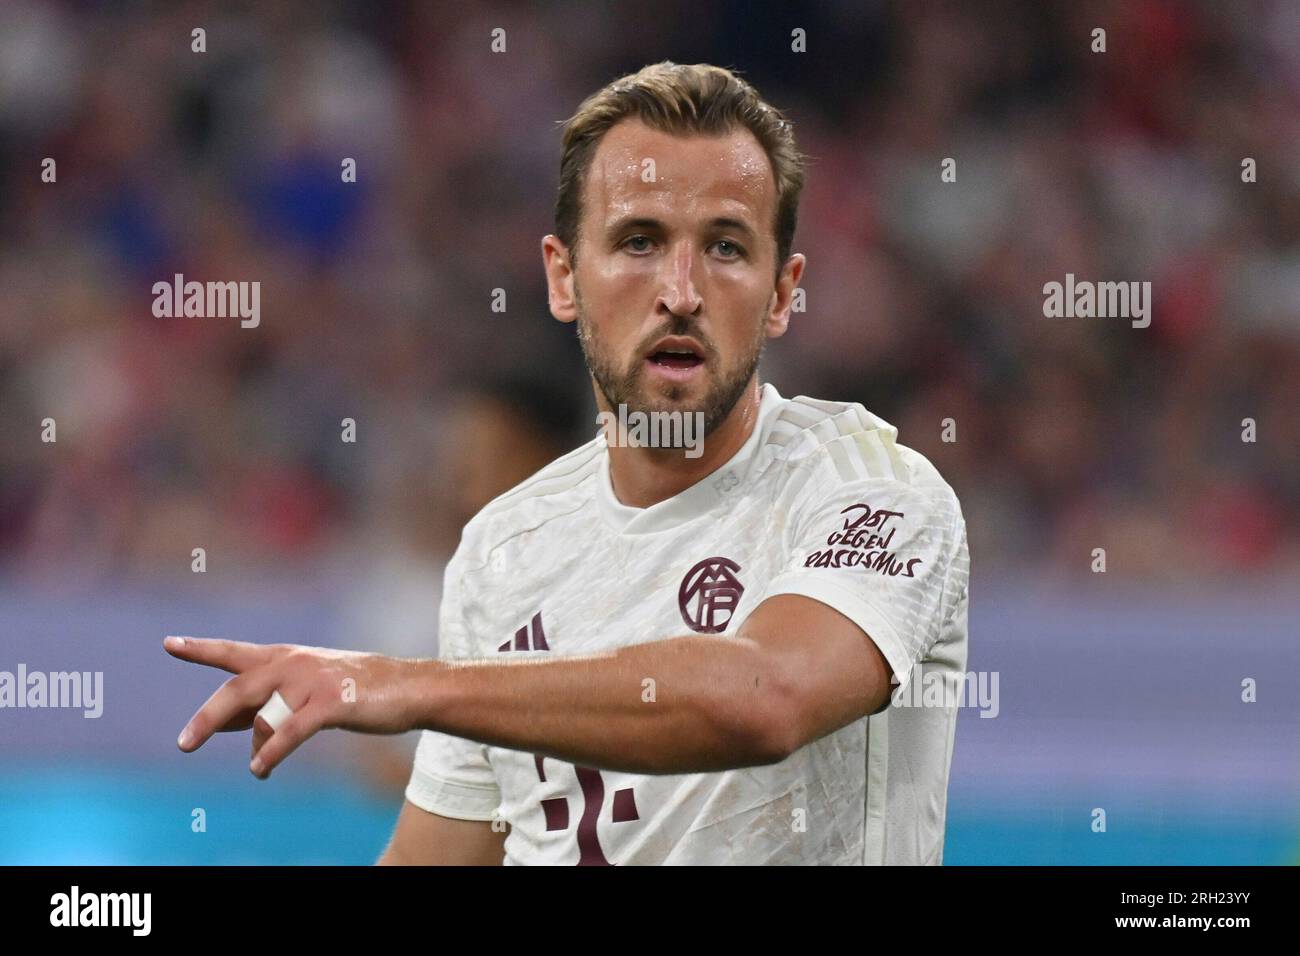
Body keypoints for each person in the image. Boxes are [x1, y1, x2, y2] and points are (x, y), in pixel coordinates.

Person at [167, 61, 970, 865]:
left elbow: (770, 698)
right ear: (563, 277)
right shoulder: (503, 548)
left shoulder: (874, 493)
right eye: (639, 242)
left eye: (726, 247)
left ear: (782, 293)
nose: (681, 291)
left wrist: (402, 686)